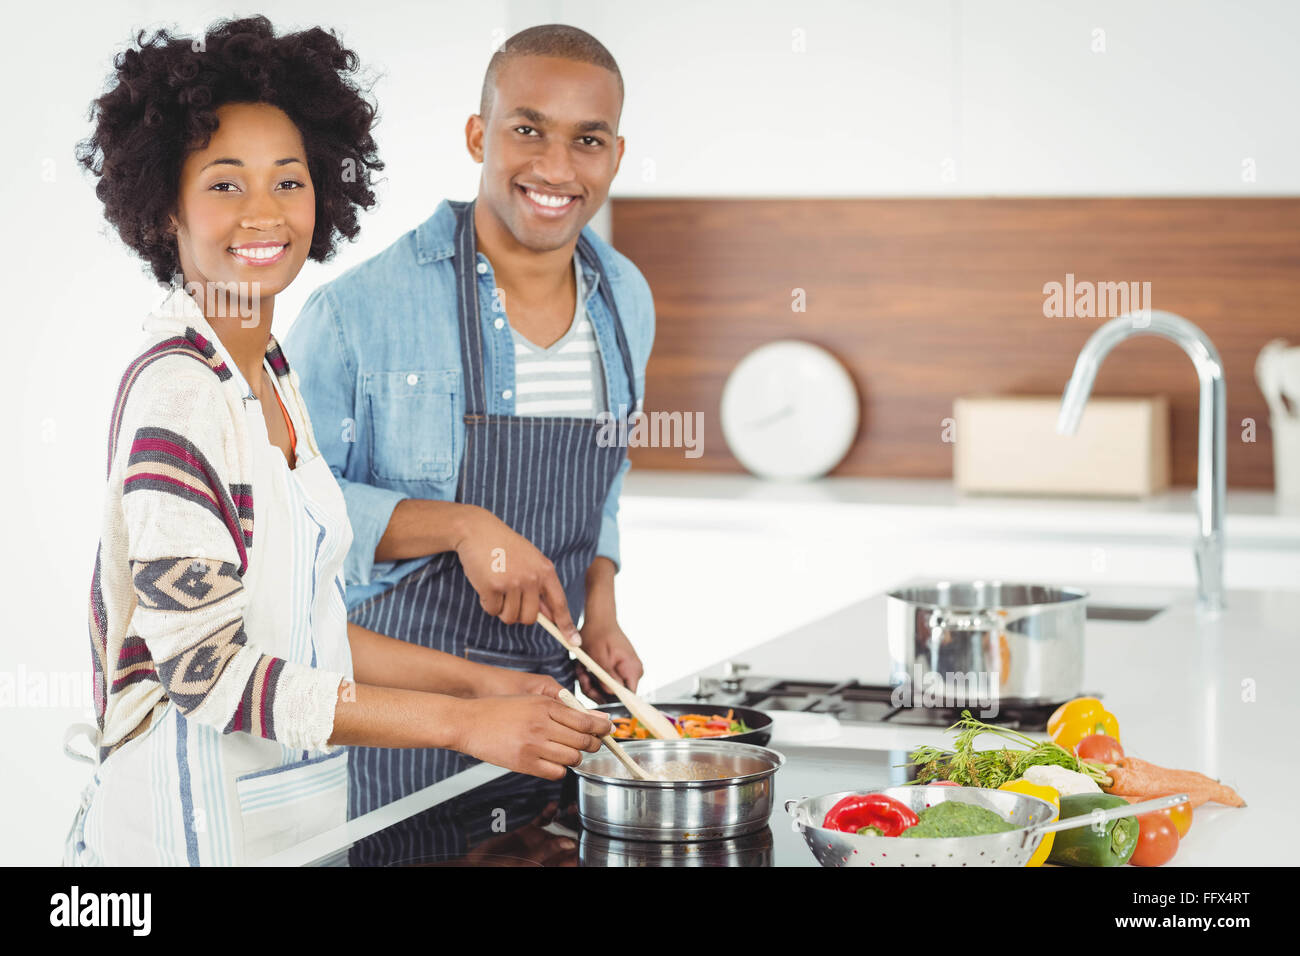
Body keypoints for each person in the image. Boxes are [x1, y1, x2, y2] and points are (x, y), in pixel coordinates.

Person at [67, 16, 609, 866]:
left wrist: (485, 682)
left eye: (288, 182)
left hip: (293, 817)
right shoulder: (180, 393)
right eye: (223, 185)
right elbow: (207, 670)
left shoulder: (267, 368)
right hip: (185, 833)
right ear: (164, 207)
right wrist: (467, 721)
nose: (263, 213)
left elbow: (303, 626)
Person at [284, 23, 654, 817]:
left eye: (587, 140)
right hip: (396, 726)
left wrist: (603, 611)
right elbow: (286, 520)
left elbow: (606, 480)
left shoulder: (626, 298)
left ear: (616, 156)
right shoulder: (357, 312)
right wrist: (459, 525)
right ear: (478, 135)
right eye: (528, 130)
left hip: (549, 721)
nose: (556, 168)